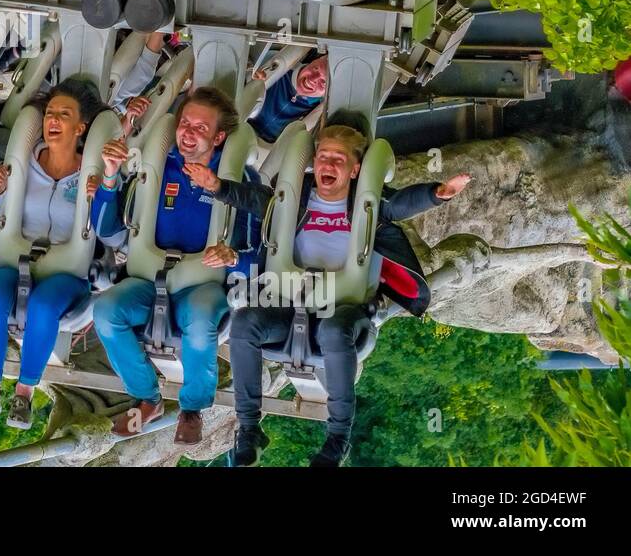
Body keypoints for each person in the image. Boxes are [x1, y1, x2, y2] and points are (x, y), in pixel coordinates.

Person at [197, 124, 473, 466]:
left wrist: (438, 193)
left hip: (345, 313)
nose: (328, 165)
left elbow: (400, 204)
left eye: (338, 159)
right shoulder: (296, 198)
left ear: (355, 169)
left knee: (332, 330)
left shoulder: (367, 204)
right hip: (291, 305)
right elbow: (257, 201)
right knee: (245, 322)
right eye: (323, 157)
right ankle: (250, 429)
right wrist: (218, 187)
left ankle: (338, 439)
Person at [88, 86, 263, 445]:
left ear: (219, 136)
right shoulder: (155, 167)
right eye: (185, 123)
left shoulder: (241, 183)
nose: (188, 133)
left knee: (199, 321)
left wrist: (235, 258)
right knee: (105, 309)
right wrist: (109, 178)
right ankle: (147, 398)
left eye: (201, 128)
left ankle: (192, 408)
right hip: (148, 277)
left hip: (202, 285)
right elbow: (108, 229)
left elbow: (263, 255)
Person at [0, 78, 108, 430]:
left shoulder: (90, 172)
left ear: (80, 127)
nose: (53, 120)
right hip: (16, 256)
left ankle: (24, 394)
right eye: (50, 113)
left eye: (64, 114)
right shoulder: (26, 163)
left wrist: (105, 193)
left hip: (66, 270)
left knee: (43, 304)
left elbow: (111, 227)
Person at [248, 51, 328, 143]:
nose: (313, 79)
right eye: (315, 68)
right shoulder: (280, 64)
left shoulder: (318, 110)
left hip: (266, 149)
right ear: (312, 62)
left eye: (323, 82)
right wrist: (251, 72)